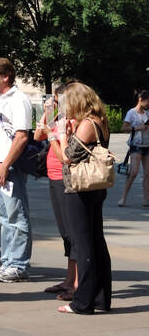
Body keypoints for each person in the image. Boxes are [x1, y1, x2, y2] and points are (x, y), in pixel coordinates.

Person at [57, 82, 112, 315]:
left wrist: (56, 136)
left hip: (80, 188)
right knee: (96, 240)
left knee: (83, 242)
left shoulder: (88, 123)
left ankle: (83, 301)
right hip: (94, 187)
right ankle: (100, 297)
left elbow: (67, 158)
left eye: (66, 101)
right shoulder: (98, 120)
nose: (63, 106)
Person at [0, 58, 34, 283]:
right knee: (3, 216)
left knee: (17, 215)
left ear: (6, 76)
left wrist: (4, 164)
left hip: (8, 166)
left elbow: (21, 136)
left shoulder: (18, 99)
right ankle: (8, 262)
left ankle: (18, 265)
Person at [36, 85, 76, 301]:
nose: (56, 103)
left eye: (59, 100)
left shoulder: (73, 121)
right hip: (53, 175)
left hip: (64, 176)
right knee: (65, 233)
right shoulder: (58, 117)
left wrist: (53, 133)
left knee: (72, 232)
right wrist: (48, 114)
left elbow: (64, 153)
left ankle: (76, 283)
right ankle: (69, 280)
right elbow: (37, 135)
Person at [118, 90, 149, 207]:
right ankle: (123, 198)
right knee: (134, 172)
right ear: (140, 99)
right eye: (147, 102)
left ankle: (146, 199)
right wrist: (138, 128)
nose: (148, 105)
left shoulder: (147, 113)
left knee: (148, 173)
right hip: (136, 145)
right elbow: (124, 127)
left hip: (147, 145)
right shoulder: (131, 112)